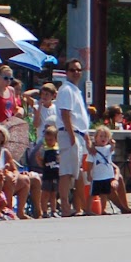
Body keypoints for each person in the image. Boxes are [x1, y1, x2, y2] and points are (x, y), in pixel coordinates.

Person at [55, 58, 91, 216]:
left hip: (79, 135)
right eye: (72, 70)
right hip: (70, 134)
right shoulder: (66, 89)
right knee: (67, 172)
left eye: (78, 70)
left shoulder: (76, 90)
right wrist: (71, 136)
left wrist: (86, 136)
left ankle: (81, 207)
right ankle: (65, 207)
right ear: (66, 72)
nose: (76, 73)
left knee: (78, 173)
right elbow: (65, 114)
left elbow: (80, 117)